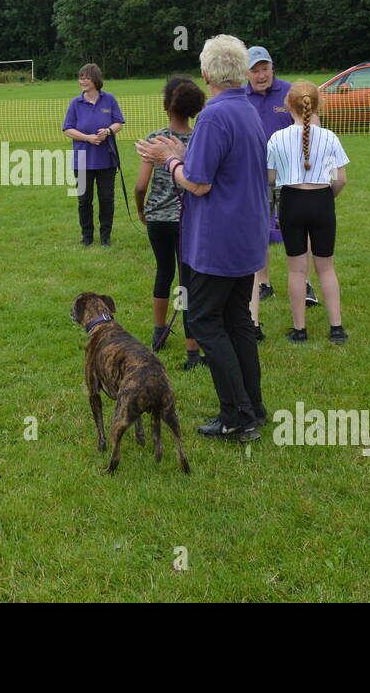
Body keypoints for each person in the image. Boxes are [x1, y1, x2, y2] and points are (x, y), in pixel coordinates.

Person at [137, 35, 270, 440]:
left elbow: (197, 183)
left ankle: (237, 415)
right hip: (245, 235)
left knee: (207, 322)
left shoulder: (214, 115)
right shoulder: (246, 108)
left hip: (218, 241)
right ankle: (253, 408)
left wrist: (169, 158)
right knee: (238, 321)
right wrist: (183, 152)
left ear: (206, 73)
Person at [267, 81, 349, 344]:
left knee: (296, 270)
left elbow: (270, 178)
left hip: (291, 202)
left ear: (288, 105)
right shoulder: (330, 137)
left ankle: (300, 330)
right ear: (318, 105)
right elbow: (341, 179)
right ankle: (336, 327)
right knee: (326, 268)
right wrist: (326, 198)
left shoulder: (277, 138)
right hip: (322, 201)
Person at [134, 75, 205, 367]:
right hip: (187, 222)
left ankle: (158, 332)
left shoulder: (155, 139)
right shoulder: (200, 140)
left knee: (163, 272)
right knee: (187, 282)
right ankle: (192, 351)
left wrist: (142, 211)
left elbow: (140, 186)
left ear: (165, 106)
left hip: (158, 220)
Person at [246, 45, 317, 324]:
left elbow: (309, 127)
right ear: (246, 73)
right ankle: (263, 283)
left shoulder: (292, 92)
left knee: (297, 229)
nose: (261, 75)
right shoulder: (242, 97)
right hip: (257, 176)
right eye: (255, 70)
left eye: (265, 68)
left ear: (272, 68)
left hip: (291, 175)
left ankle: (306, 282)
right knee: (258, 229)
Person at [63, 63, 125, 246]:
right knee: (84, 201)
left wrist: (107, 131)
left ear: (95, 79)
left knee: (106, 199)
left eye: (86, 78)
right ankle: (87, 237)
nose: (82, 81)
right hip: (82, 161)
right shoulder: (75, 103)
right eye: (80, 78)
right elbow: (67, 129)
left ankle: (105, 237)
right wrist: (87, 138)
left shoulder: (109, 100)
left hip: (106, 160)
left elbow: (119, 123)